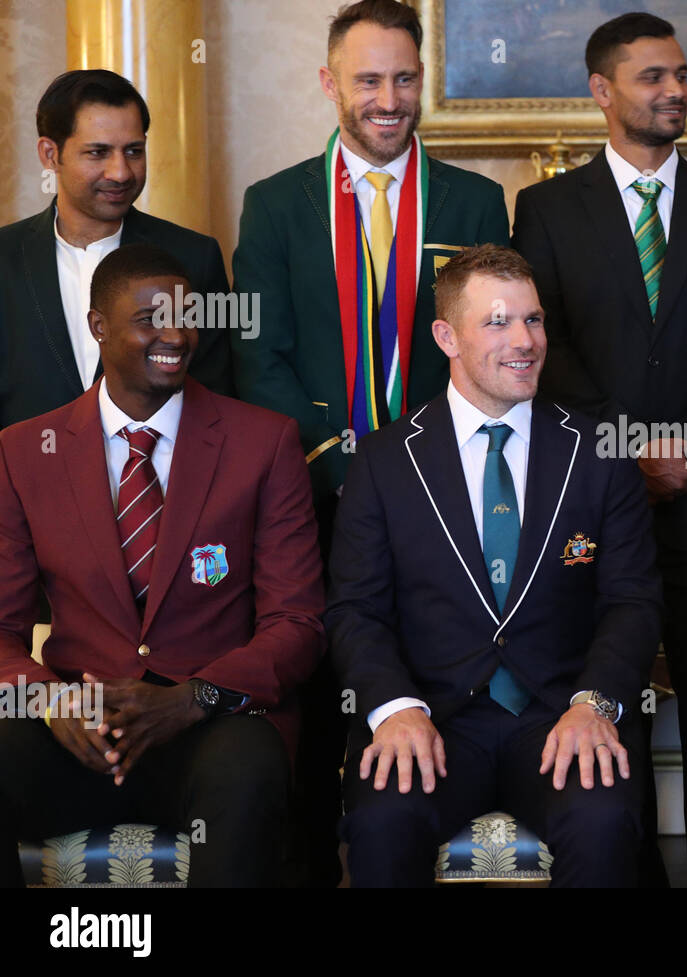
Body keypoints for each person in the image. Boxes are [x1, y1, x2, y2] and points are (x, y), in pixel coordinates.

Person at [230, 0, 509, 885]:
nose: (388, 99)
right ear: (329, 84)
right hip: (312, 498)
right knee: (317, 696)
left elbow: (491, 358)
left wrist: (402, 477)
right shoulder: (275, 205)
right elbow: (259, 359)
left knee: (437, 669)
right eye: (368, 80)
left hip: (443, 497)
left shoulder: (474, 199)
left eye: (405, 78)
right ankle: (316, 862)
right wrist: (344, 469)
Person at [511, 12, 687, 847]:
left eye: (682, 74)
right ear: (602, 91)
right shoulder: (548, 208)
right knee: (606, 684)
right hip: (594, 496)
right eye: (653, 77)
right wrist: (632, 455)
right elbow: (544, 348)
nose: (677, 91)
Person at [327, 245, 660, 887]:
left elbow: (632, 602)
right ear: (446, 336)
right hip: (430, 716)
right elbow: (355, 609)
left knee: (604, 820)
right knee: (381, 823)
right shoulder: (384, 460)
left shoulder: (600, 452)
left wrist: (595, 703)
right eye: (499, 322)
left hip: (562, 714)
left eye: (533, 321)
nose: (526, 341)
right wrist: (394, 709)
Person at [0, 244, 325, 887]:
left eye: (186, 314)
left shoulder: (264, 441)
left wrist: (193, 700)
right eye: (151, 317)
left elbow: (298, 624)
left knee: (249, 769)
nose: (175, 334)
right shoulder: (24, 450)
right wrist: (49, 698)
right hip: (79, 729)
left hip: (211, 727)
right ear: (99, 326)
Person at [0, 69, 231, 431]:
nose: (121, 172)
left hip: (157, 478)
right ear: (50, 154)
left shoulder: (195, 256)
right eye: (98, 153)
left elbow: (217, 401)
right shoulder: (6, 257)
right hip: (21, 481)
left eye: (134, 152)